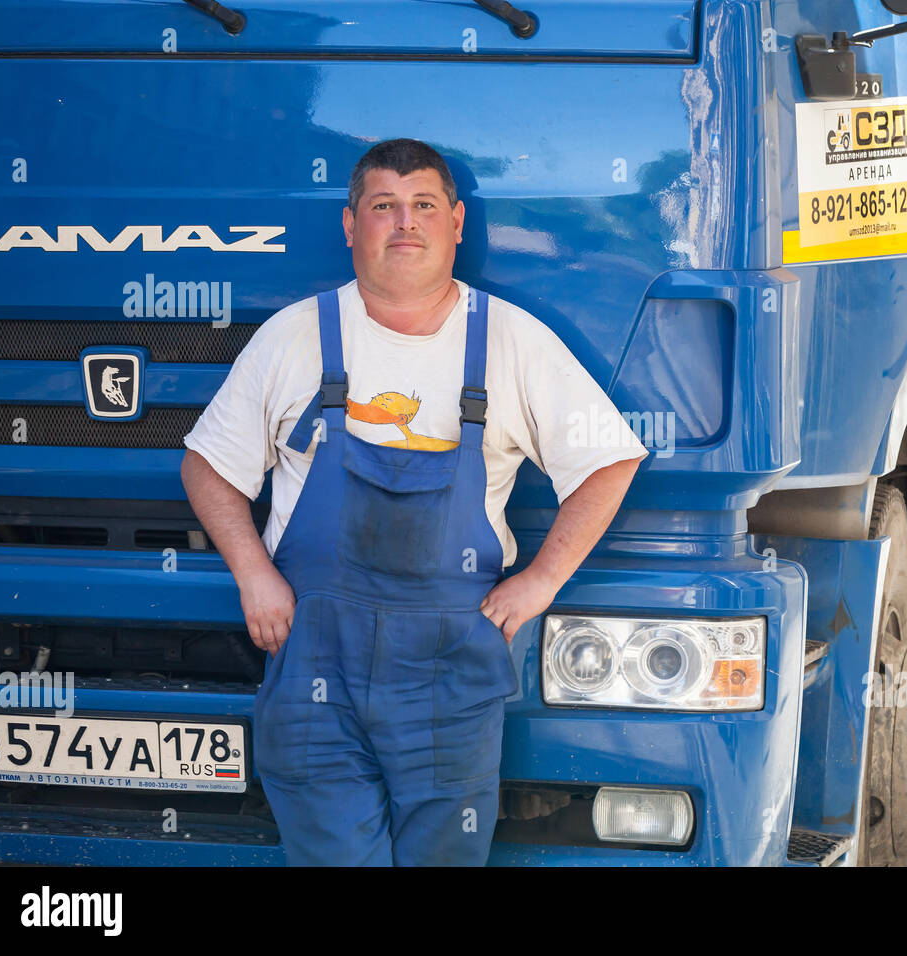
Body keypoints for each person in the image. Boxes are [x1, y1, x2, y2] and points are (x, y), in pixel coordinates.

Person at [180, 138, 647, 865]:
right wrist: (252, 571)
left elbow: (609, 461)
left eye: (424, 205)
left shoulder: (509, 342)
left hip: (448, 674)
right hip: (314, 662)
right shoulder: (296, 336)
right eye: (383, 207)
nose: (405, 223)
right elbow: (208, 465)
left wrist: (542, 583)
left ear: (456, 222)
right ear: (350, 225)